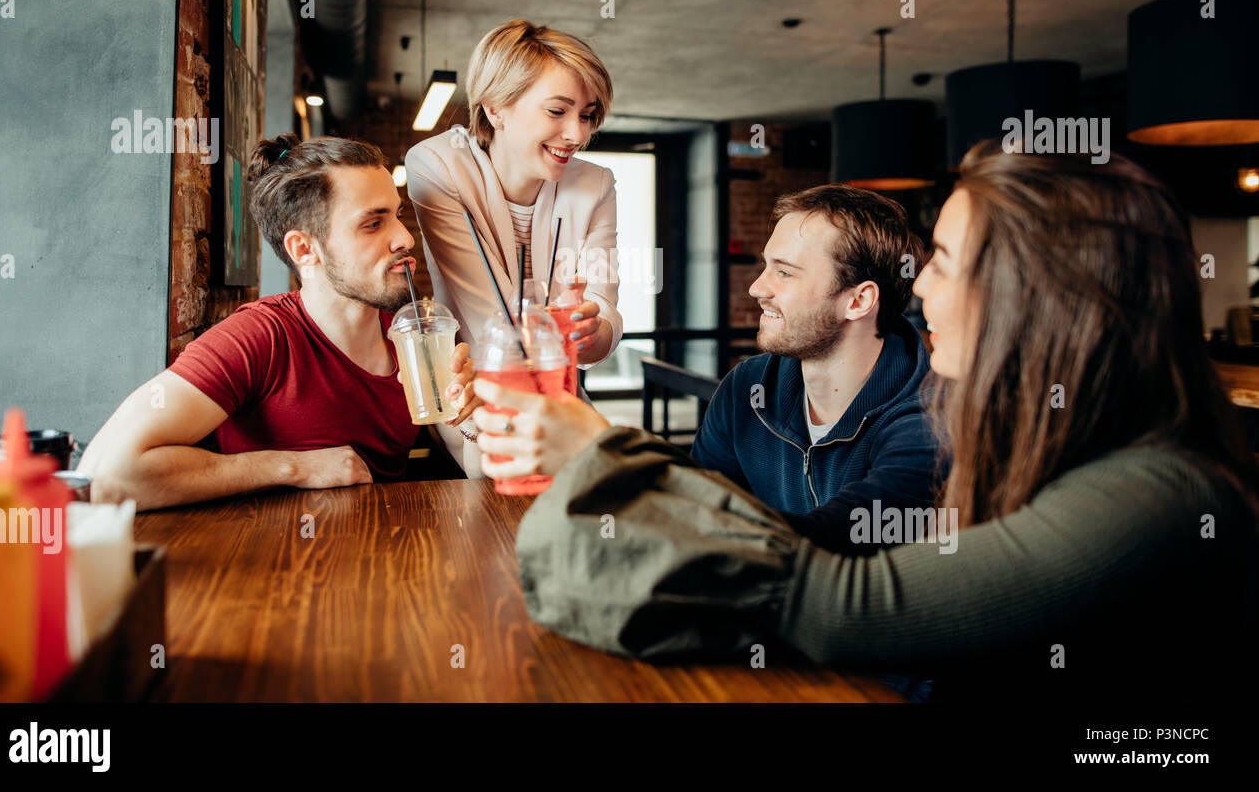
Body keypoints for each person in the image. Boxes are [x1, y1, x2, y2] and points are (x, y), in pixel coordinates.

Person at [478, 144, 1259, 700]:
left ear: (1036, 290)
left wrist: (606, 452)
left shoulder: (1157, 494)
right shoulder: (1041, 438)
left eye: (947, 264)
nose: (921, 296)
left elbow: (841, 601)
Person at [82, 134, 481, 512]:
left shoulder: (409, 338)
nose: (405, 238)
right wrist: (294, 468)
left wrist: (477, 421)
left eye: (397, 216)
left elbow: (475, 465)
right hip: (268, 573)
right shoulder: (259, 337)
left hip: (382, 566)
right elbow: (103, 476)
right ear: (304, 248)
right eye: (373, 224)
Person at [689, 185, 940, 553]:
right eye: (766, 266)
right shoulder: (747, 387)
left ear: (858, 300)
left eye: (785, 273)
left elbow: (836, 541)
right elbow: (696, 509)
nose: (758, 288)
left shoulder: (931, 417)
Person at [404, 19, 622, 382]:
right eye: (557, 111)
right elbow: (489, 322)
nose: (577, 134)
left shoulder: (596, 184)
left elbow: (603, 312)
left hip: (557, 392)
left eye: (587, 115)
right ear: (495, 108)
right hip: (476, 395)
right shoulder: (439, 165)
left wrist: (593, 330)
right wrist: (557, 331)